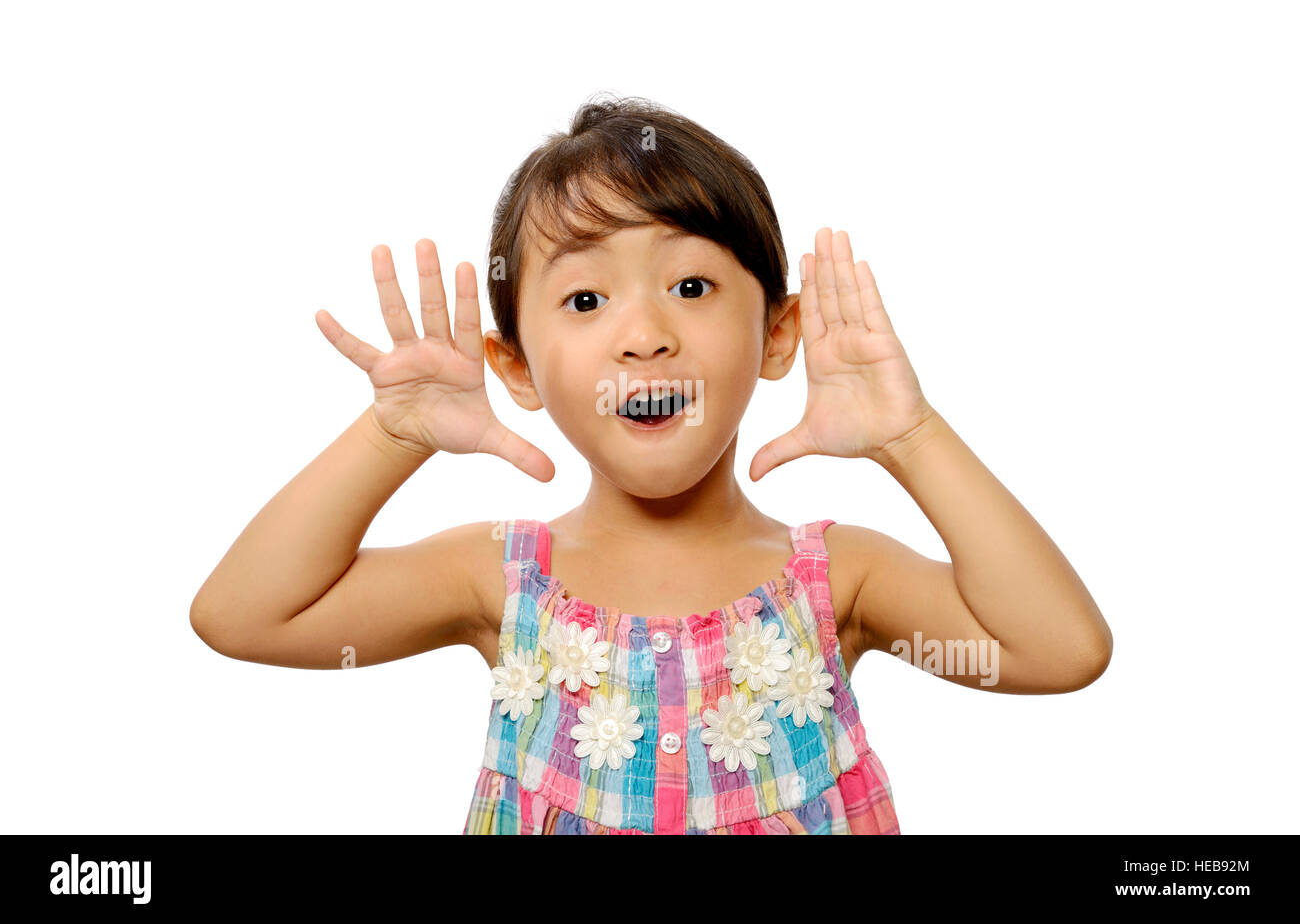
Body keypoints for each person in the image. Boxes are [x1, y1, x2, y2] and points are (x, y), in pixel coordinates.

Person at [190, 95, 1112, 834]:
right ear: (514, 364)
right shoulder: (502, 580)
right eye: (587, 297)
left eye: (692, 286)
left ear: (778, 332)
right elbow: (243, 613)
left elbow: (1061, 649)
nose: (644, 337)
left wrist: (909, 436)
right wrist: (391, 438)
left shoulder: (838, 580)